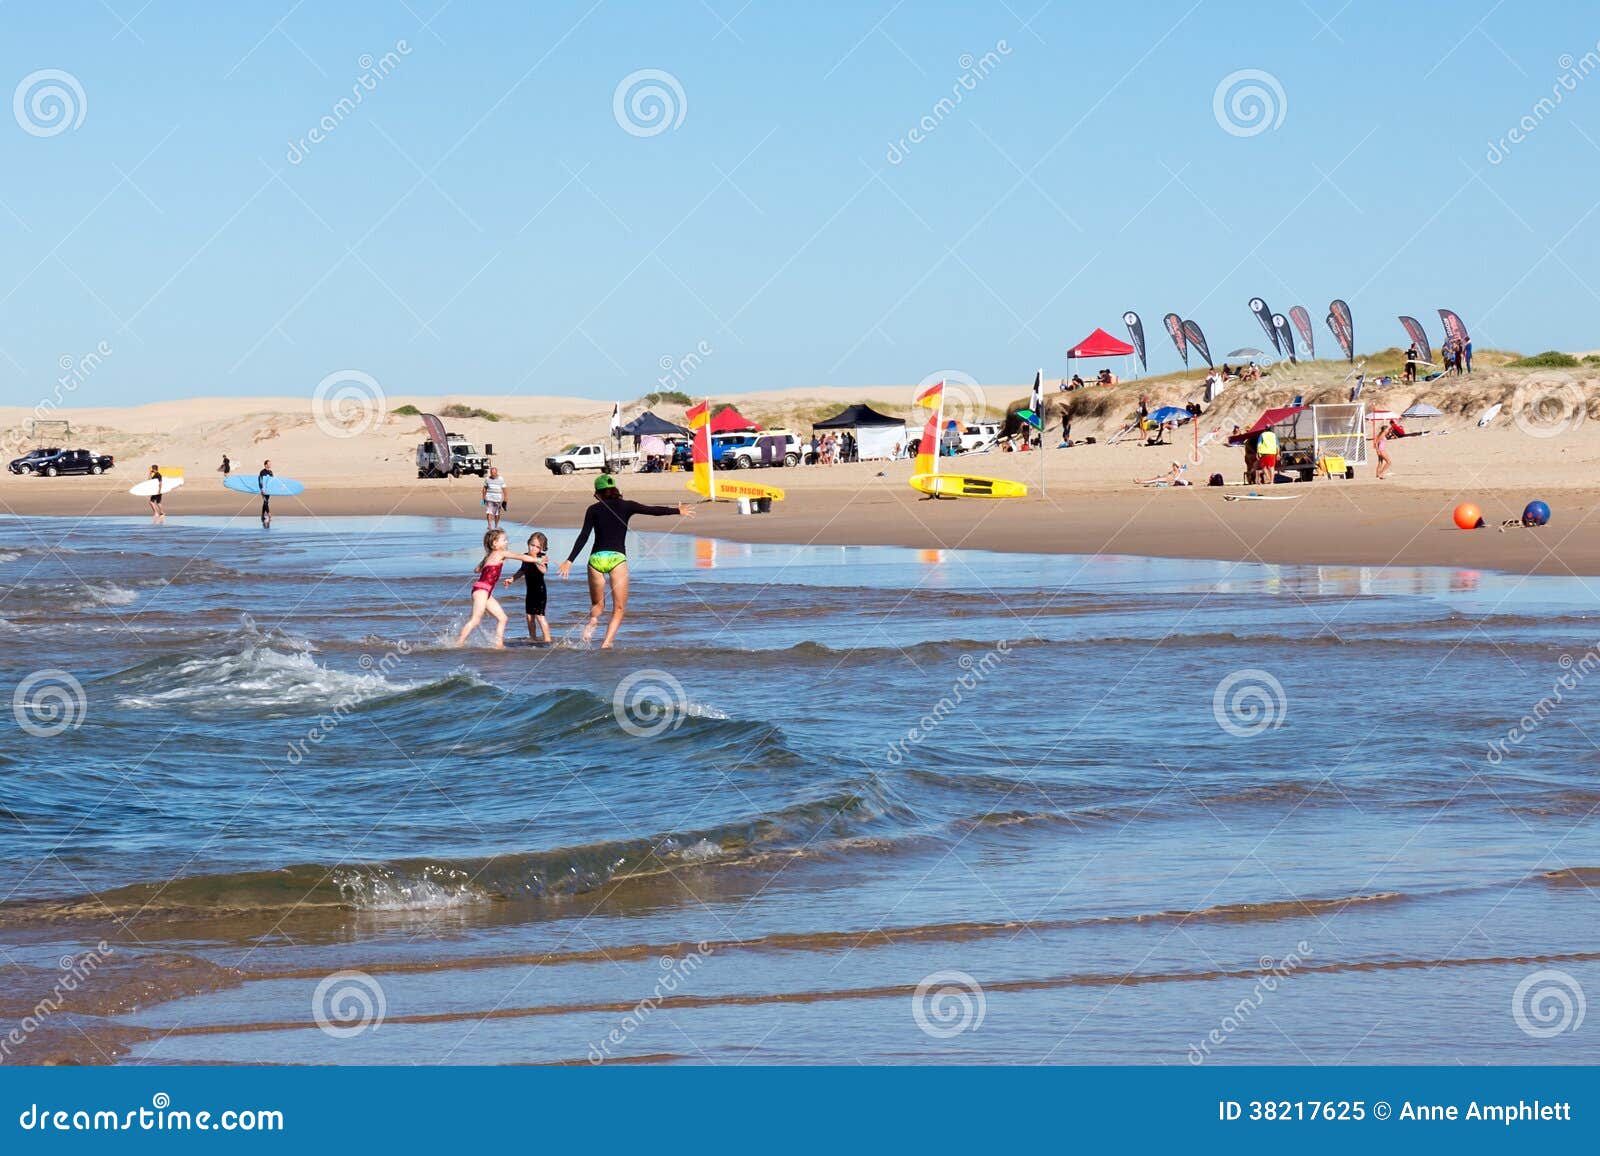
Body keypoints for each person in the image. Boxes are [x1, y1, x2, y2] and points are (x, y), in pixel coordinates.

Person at [559, 475, 694, 648]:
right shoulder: (627, 505)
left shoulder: (592, 509)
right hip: (617, 559)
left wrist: (569, 560)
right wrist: (677, 510)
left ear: (598, 494)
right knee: (619, 608)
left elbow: (584, 536)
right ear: (615, 490)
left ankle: (592, 620)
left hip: (596, 560)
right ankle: (606, 643)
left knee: (598, 605)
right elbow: (652, 510)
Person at [455, 528, 542, 648]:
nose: (506, 542)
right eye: (504, 540)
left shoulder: (490, 555)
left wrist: (487, 563)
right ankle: (458, 643)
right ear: (495, 544)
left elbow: (476, 570)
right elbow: (519, 556)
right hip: (482, 591)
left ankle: (499, 645)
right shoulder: (500, 553)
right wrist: (537, 559)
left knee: (503, 618)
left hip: (484, 591)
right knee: (475, 619)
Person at [504, 531, 551, 644]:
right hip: (530, 591)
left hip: (540, 591)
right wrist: (512, 579)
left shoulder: (542, 557)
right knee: (529, 617)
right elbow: (522, 571)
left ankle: (547, 639)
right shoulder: (524, 556)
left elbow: (544, 571)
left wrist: (535, 559)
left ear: (542, 548)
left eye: (537, 547)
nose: (534, 548)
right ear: (528, 543)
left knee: (540, 616)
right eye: (532, 545)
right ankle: (533, 638)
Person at [258, 459, 274, 527]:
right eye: (268, 464)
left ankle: (262, 515)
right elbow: (260, 480)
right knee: (265, 501)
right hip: (263, 489)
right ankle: (269, 514)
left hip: (268, 490)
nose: (270, 465)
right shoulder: (262, 472)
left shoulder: (270, 472)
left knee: (266, 502)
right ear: (265, 465)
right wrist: (261, 488)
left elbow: (272, 480)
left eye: (270, 464)